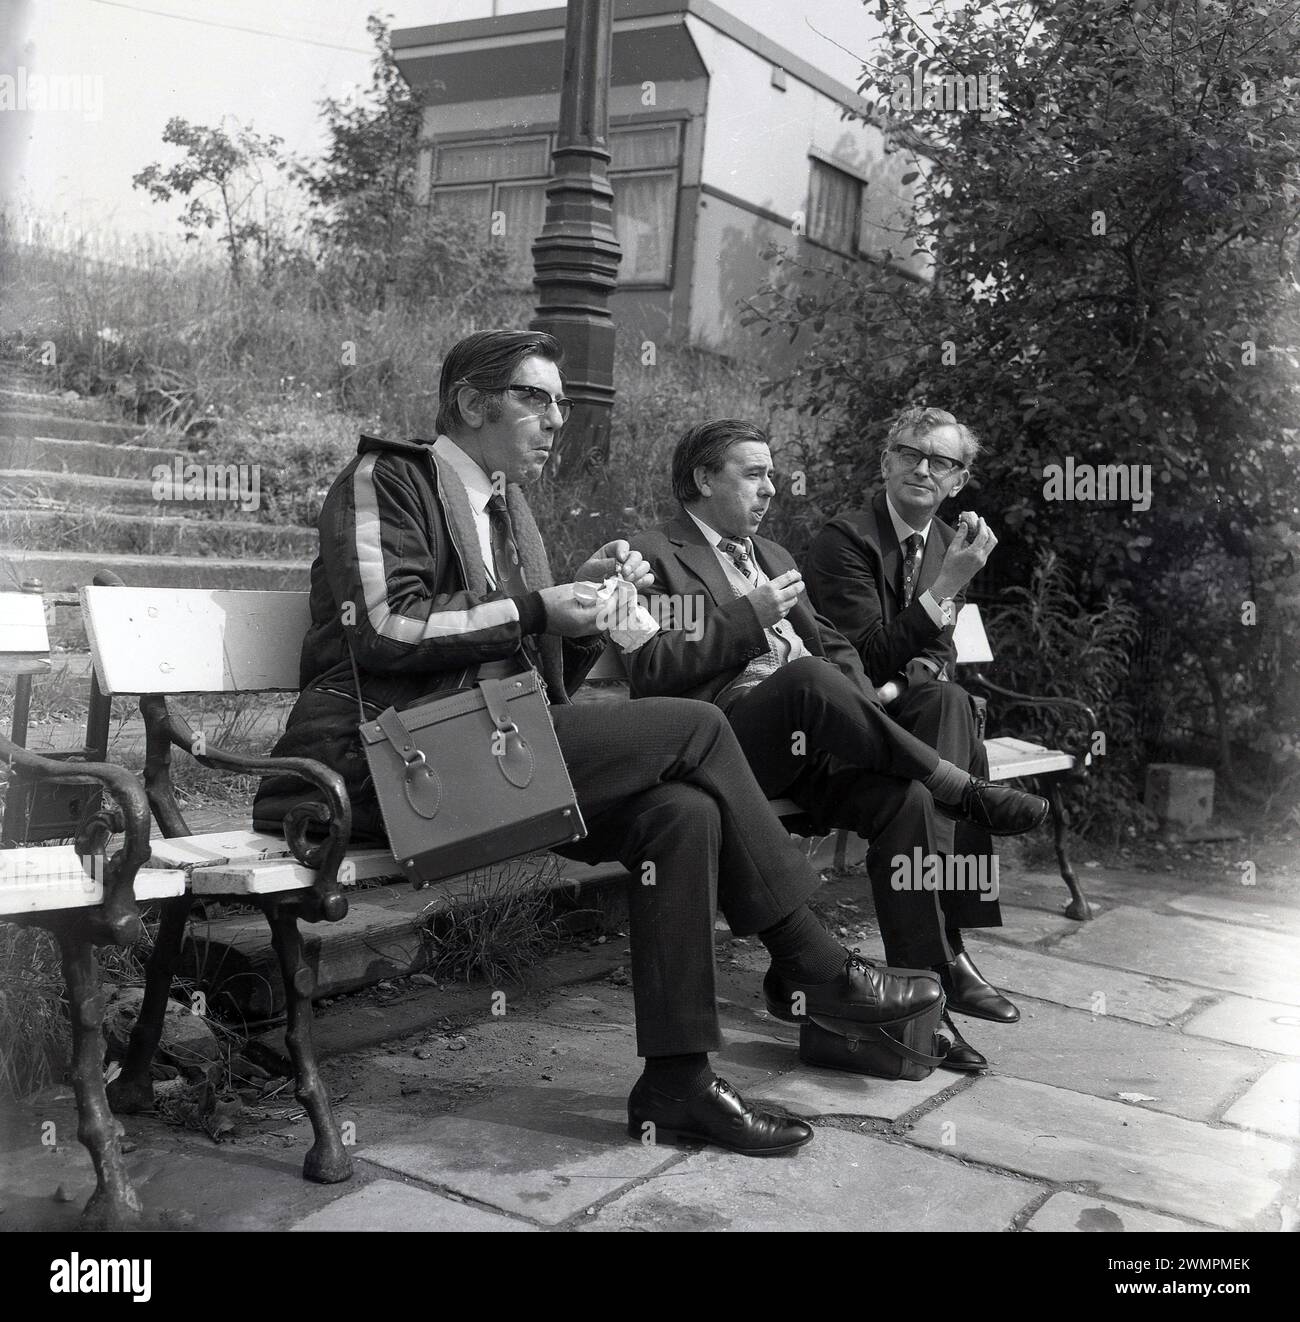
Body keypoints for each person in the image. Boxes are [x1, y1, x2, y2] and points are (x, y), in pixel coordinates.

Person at [252, 331, 942, 1158]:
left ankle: (677, 1082)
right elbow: (387, 626)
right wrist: (542, 606)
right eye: (535, 400)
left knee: (679, 813)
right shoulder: (388, 478)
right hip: (368, 768)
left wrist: (583, 610)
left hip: (478, 753)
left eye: (561, 405)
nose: (555, 422)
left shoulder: (506, 511)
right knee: (698, 724)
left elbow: (539, 683)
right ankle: (815, 963)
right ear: (472, 403)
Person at [625, 420, 1048, 1071]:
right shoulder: (651, 555)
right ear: (704, 478)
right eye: (752, 474)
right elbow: (649, 666)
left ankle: (920, 1008)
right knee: (809, 680)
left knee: (902, 799)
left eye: (771, 474)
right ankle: (958, 787)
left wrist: (862, 715)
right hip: (723, 746)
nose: (770, 490)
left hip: (810, 746)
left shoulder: (774, 555)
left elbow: (838, 652)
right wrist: (749, 618)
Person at [804, 407, 1021, 1031]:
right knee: (956, 741)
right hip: (843, 733)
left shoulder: (951, 543)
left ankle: (940, 955)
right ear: (886, 462)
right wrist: (947, 585)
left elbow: (938, 658)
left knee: (951, 706)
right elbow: (861, 660)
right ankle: (946, 953)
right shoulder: (843, 540)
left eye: (941, 462)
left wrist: (902, 684)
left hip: (909, 718)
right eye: (909, 454)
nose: (923, 469)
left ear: (959, 480)